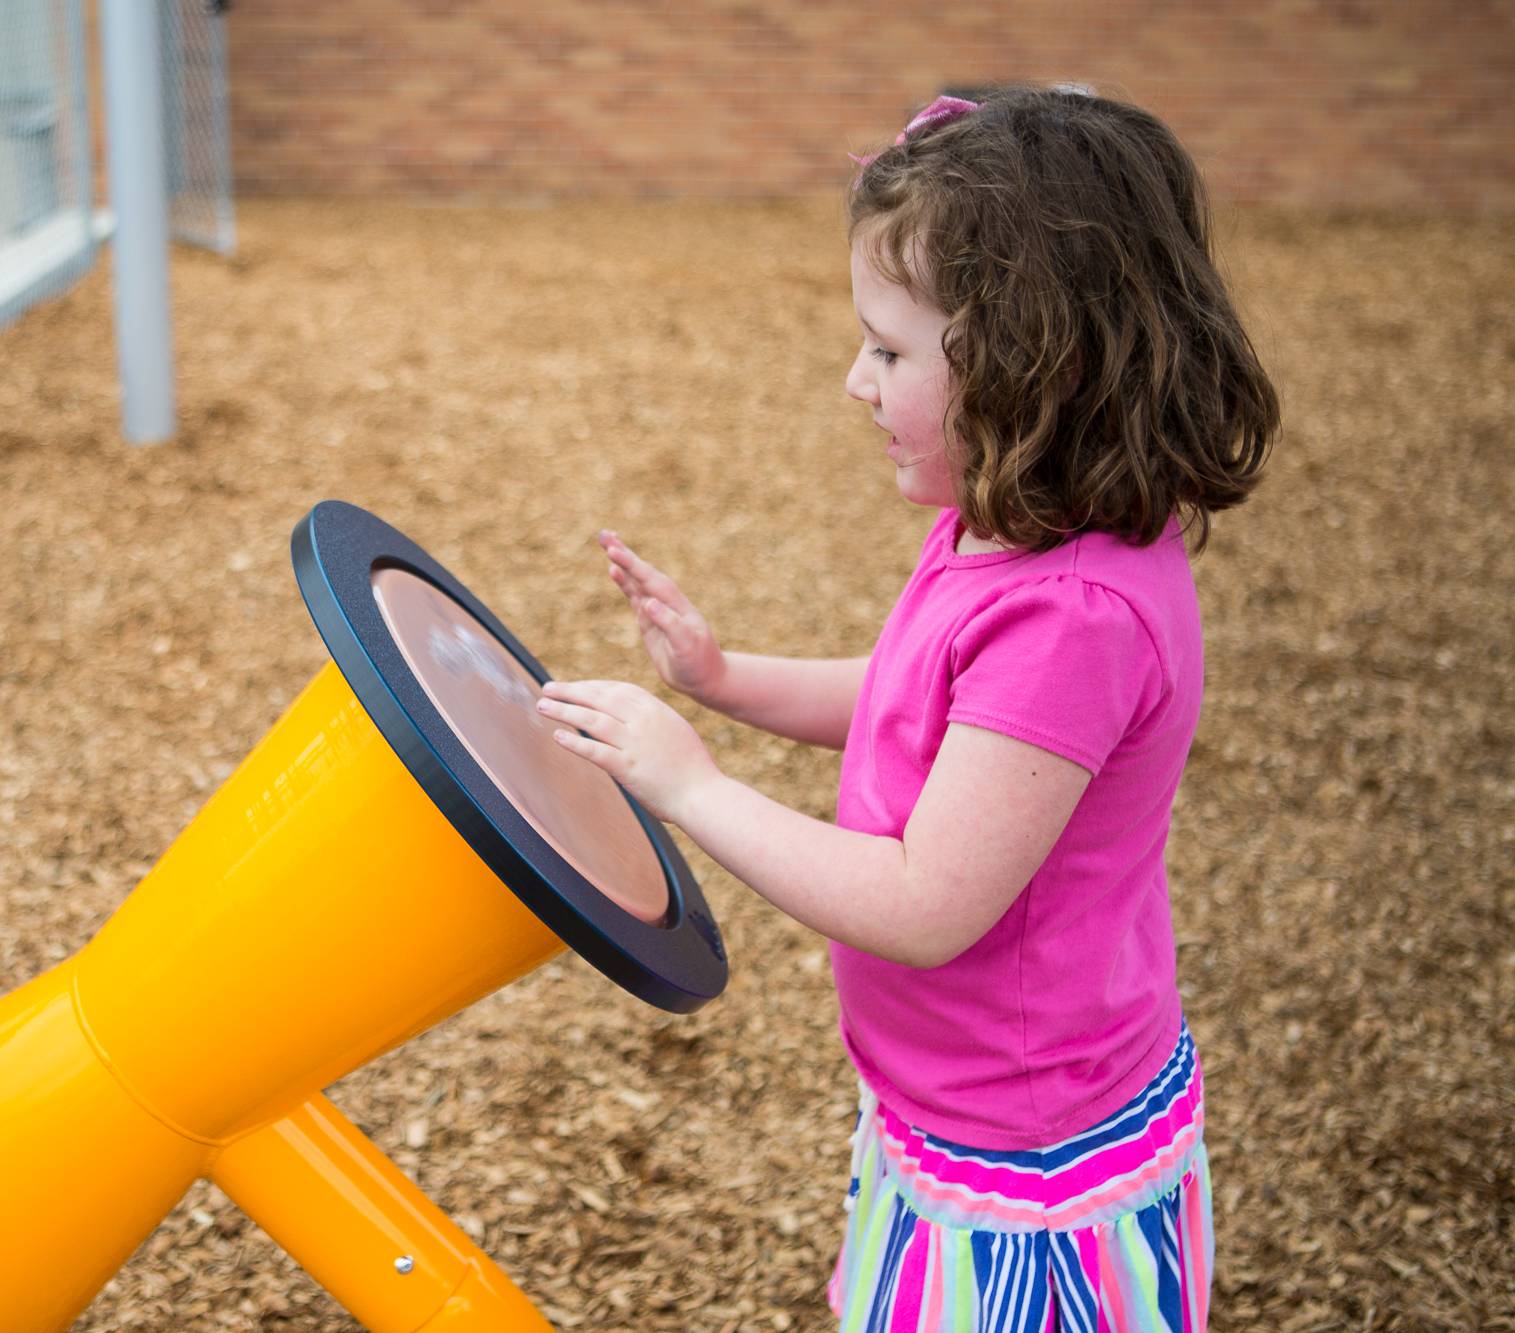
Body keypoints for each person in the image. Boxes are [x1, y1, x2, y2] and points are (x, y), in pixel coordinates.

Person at [536, 86, 1278, 1332]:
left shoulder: (1074, 617)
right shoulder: (995, 528)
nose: (851, 379)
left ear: (1036, 363)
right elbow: (913, 707)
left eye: (887, 350)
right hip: (954, 1103)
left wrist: (693, 786)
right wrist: (722, 679)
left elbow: (926, 904)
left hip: (1028, 1162)